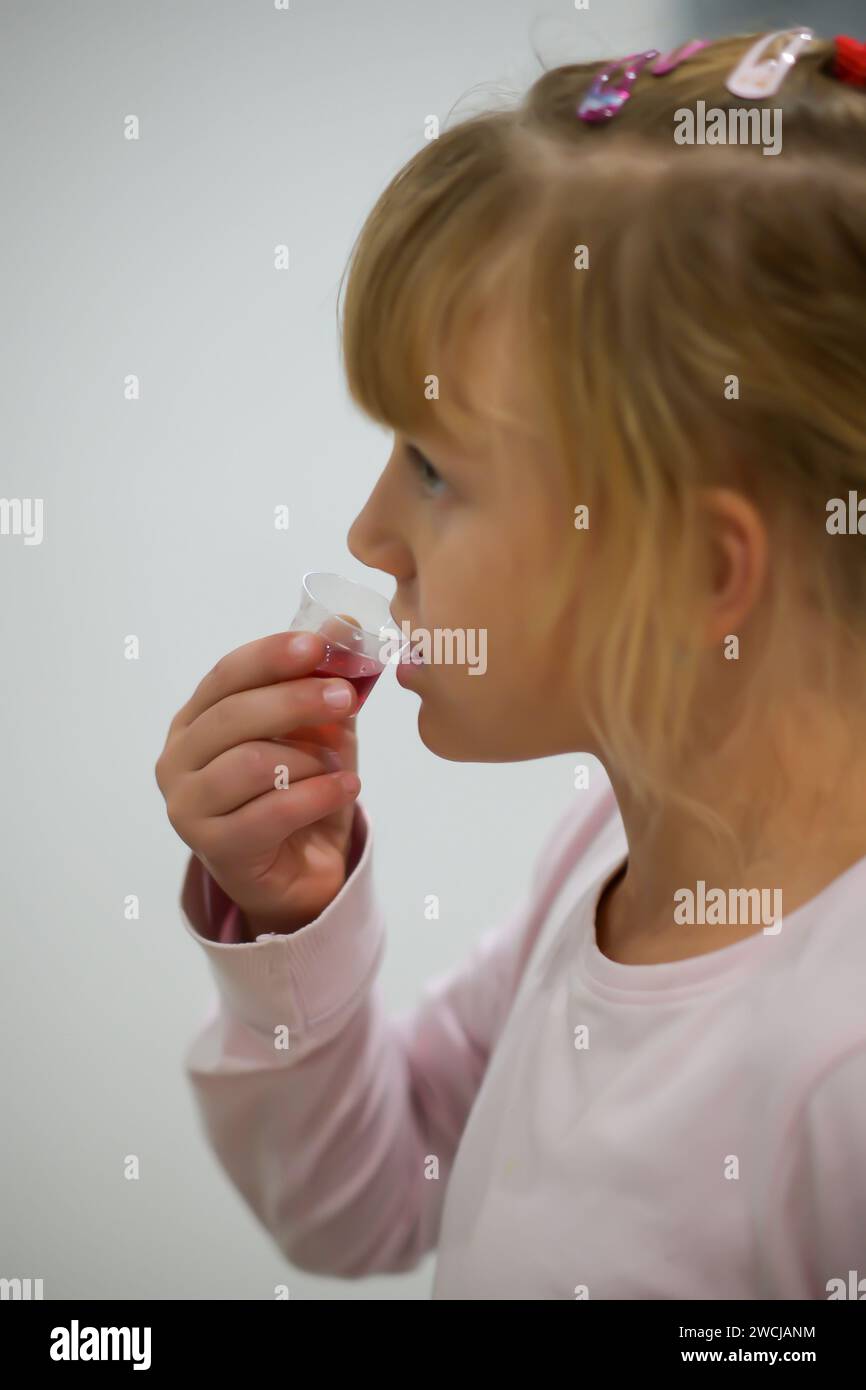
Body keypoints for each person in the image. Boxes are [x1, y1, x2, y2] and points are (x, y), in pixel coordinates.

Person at [155, 29, 866, 1298]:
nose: (372, 534)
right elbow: (363, 1207)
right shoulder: (613, 851)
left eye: (434, 469)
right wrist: (287, 920)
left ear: (703, 572)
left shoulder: (838, 1066)